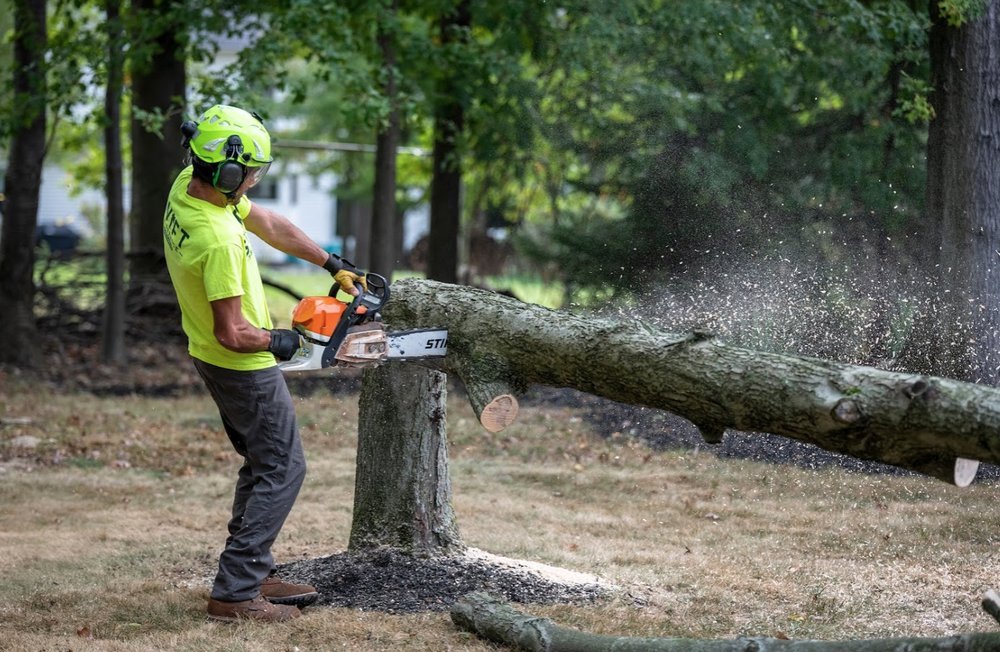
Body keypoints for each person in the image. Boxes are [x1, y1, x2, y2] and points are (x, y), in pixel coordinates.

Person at [163, 104, 365, 623]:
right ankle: (234, 594)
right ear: (229, 173)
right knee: (284, 467)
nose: (254, 181)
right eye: (251, 173)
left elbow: (269, 222)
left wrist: (332, 262)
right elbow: (234, 334)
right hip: (240, 364)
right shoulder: (218, 240)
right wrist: (291, 342)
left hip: (209, 355)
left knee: (261, 462)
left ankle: (253, 571)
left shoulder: (192, 183)